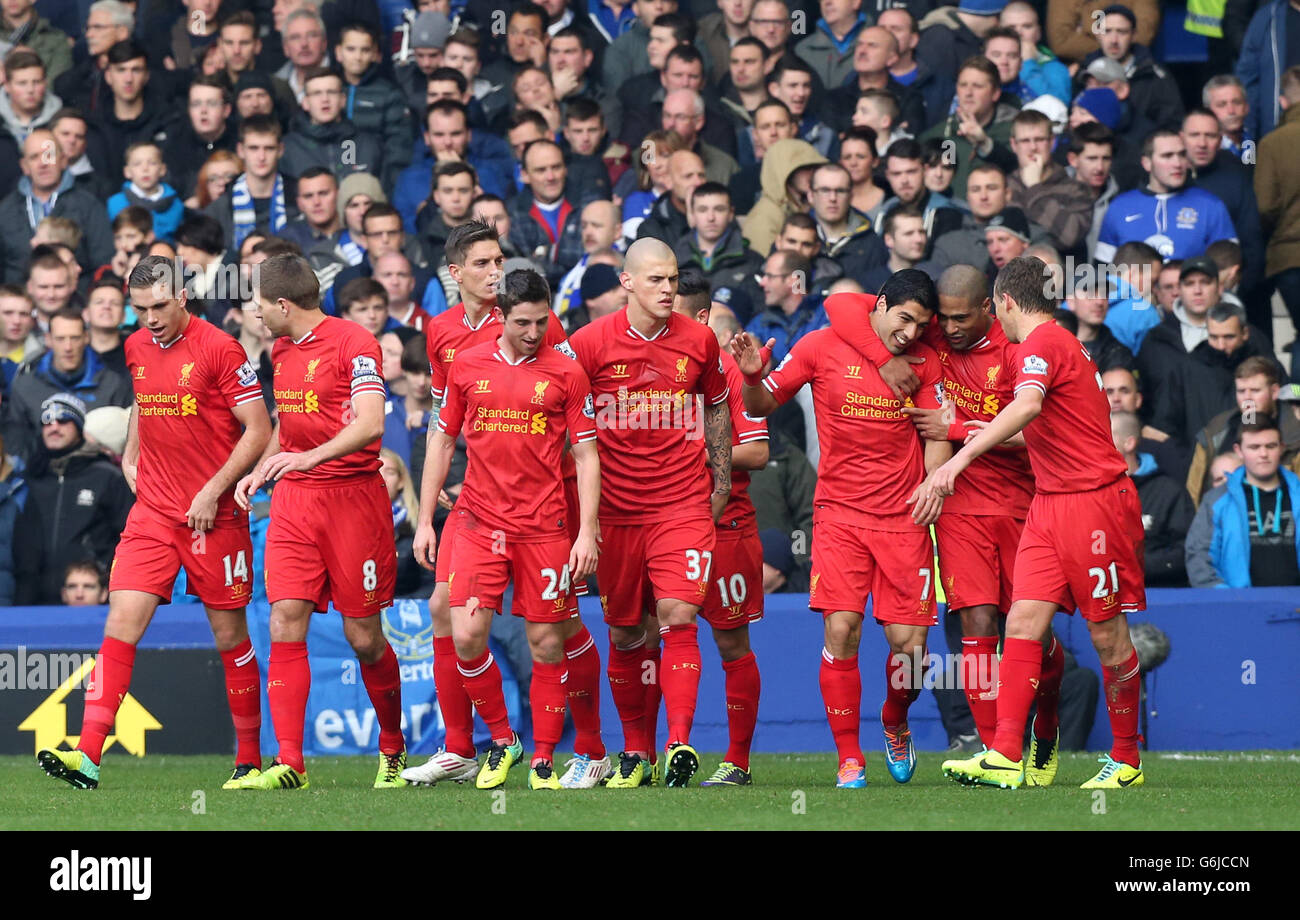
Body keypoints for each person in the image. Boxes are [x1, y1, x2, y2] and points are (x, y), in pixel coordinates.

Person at [36, 255, 272, 791]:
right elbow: (145, 401)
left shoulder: (221, 348)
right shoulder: (137, 345)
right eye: (140, 309)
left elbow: (258, 429)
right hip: (154, 514)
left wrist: (214, 490)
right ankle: (88, 755)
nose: (150, 319)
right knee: (120, 625)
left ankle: (250, 759)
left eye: (160, 306)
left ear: (183, 296)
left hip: (217, 517)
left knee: (230, 636)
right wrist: (130, 455)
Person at [924, 255, 1147, 790]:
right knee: (1022, 623)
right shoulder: (1060, 344)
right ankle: (1004, 753)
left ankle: (1126, 760)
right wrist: (974, 428)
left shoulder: (1042, 345)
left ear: (1002, 301)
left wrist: (957, 457)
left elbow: (1025, 407)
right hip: (1049, 503)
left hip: (1093, 503)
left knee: (1108, 635)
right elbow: (1044, 428)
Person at [403, 219, 610, 790]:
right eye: (484, 263)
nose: (496, 272)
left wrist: (583, 527)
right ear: (455, 274)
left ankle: (581, 748)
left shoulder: (544, 334)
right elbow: (447, 429)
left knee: (557, 632)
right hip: (478, 505)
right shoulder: (444, 336)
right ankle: (473, 745)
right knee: (449, 614)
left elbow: (573, 429)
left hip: (548, 502)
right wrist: (428, 510)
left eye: (500, 261)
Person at [731, 270, 949, 788]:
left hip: (903, 517)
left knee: (912, 651)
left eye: (921, 324)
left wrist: (935, 480)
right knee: (840, 630)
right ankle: (849, 756)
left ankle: (894, 720)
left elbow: (938, 428)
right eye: (904, 319)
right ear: (879, 304)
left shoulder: (926, 361)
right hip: (840, 515)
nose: (911, 333)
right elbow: (761, 405)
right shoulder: (818, 345)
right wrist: (751, 376)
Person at [231, 253, 407, 791]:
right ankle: (291, 763)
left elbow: (371, 422)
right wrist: (265, 467)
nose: (255, 313)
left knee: (364, 637)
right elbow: (292, 420)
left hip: (354, 501)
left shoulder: (355, 342)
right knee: (285, 617)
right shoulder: (280, 349)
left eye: (260, 304)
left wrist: (308, 458)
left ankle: (393, 749)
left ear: (282, 304)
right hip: (295, 503)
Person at [568, 236, 732, 788]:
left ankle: (679, 742)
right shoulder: (587, 345)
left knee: (678, 616)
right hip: (615, 511)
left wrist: (721, 479)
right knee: (624, 635)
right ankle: (635, 752)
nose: (668, 289)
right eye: (657, 280)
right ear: (628, 283)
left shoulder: (699, 341)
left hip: (680, 503)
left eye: (674, 279)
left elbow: (716, 405)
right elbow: (564, 424)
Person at [671, 269, 766, 786]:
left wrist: (687, 456)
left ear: (702, 318)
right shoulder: (651, 369)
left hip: (725, 524)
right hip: (660, 522)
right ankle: (654, 752)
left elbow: (758, 450)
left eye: (676, 314)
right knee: (650, 634)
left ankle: (737, 760)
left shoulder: (727, 370)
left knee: (731, 643)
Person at [11, 392, 133, 606]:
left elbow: (128, 537)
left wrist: (107, 578)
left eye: (64, 419)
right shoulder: (31, 478)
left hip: (92, 598)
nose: (54, 426)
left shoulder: (107, 476)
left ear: (78, 427)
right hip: (36, 600)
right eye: (47, 421)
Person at [2, 307, 132, 461]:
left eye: (74, 338)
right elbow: (17, 443)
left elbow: (128, 439)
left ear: (86, 338)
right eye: (60, 338)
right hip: (41, 475)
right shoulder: (25, 386)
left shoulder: (113, 384)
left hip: (100, 473)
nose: (68, 347)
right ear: (48, 339)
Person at [1186, 416, 1300, 587]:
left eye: (1271, 446)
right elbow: (1199, 557)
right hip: (1238, 607)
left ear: (1282, 448)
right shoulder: (1216, 500)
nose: (1263, 454)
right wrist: (1229, 601)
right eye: (1254, 447)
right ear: (1239, 451)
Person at [1093, 131, 1237, 262]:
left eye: (1182, 155)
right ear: (1147, 163)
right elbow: (1101, 271)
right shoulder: (1119, 207)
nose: (1177, 163)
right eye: (1167, 156)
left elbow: (1229, 268)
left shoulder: (1210, 205)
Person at [1185, 357, 1300, 505]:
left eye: (1255, 391)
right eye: (1241, 391)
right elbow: (1194, 492)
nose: (1247, 398)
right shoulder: (1217, 429)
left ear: (1275, 391)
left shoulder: (1295, 435)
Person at [1110, 409, 1195, 587]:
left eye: (1104, 435)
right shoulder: (1087, 490)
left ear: (1129, 443)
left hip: (1159, 595)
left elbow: (1186, 551)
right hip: (1101, 598)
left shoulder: (1169, 491)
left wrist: (1133, 566)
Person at [1256, 65, 1300, 371]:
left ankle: (1298, 406)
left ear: (1283, 102)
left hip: (1290, 259)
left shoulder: (1272, 143)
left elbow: (1264, 207)